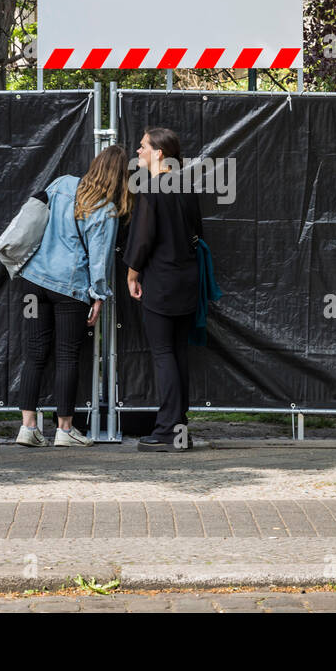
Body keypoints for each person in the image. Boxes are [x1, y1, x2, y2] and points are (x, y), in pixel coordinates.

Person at [14, 146, 131, 447]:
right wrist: (99, 296)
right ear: (120, 177)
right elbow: (99, 260)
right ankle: (64, 430)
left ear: (95, 165)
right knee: (66, 357)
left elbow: (34, 218)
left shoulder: (62, 184)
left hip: (33, 281)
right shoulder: (106, 209)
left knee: (35, 354)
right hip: (70, 289)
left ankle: (27, 428)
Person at [122, 128, 204, 451]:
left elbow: (141, 240)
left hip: (161, 284)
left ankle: (169, 430)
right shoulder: (187, 188)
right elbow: (198, 233)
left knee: (163, 353)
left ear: (158, 153)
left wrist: (132, 274)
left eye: (142, 147)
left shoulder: (152, 190)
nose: (137, 152)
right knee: (179, 353)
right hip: (187, 282)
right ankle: (180, 429)